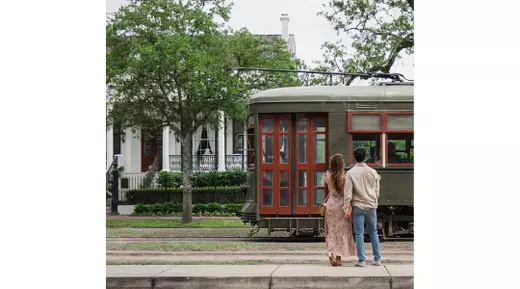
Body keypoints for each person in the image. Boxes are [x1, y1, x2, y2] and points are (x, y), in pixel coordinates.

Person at [344, 147, 382, 267]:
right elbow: (377, 190)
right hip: (371, 205)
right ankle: (377, 259)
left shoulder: (350, 173)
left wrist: (346, 207)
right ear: (365, 157)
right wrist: (374, 201)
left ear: (355, 158)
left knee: (359, 233)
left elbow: (348, 192)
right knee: (374, 232)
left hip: (357, 206)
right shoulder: (373, 172)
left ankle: (362, 260)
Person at [323, 154, 356, 266]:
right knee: (341, 231)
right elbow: (345, 193)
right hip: (341, 205)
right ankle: (338, 258)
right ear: (341, 164)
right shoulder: (344, 177)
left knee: (331, 231)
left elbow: (329, 188)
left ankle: (330, 254)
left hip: (330, 204)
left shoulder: (327, 175)